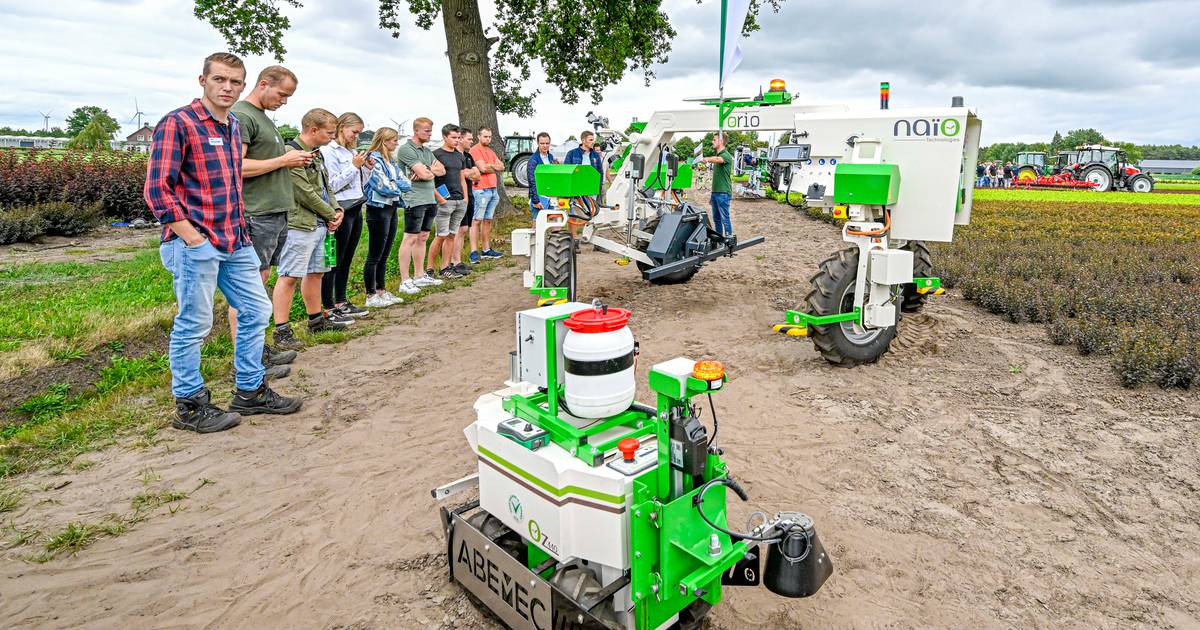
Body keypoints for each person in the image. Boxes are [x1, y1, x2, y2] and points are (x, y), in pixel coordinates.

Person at [145, 52, 301, 433]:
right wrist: (194, 240)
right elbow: (157, 191)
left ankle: (249, 390)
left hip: (234, 238)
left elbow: (231, 185)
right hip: (195, 243)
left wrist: (240, 232)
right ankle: (190, 405)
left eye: (235, 81)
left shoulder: (233, 126)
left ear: (244, 85)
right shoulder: (178, 123)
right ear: (203, 81)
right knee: (194, 323)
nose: (227, 87)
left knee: (255, 311)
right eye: (219, 80)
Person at [230, 65, 309, 365]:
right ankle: (246, 355)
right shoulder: (243, 116)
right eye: (282, 94)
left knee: (260, 283)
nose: (284, 101)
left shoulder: (263, 118)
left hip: (274, 213)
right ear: (264, 84)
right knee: (248, 286)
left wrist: (287, 163)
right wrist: (283, 160)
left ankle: (256, 348)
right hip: (256, 212)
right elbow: (237, 166)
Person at [270, 108, 348, 348]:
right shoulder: (291, 153)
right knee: (290, 275)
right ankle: (281, 330)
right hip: (300, 224)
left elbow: (326, 186)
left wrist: (337, 210)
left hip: (321, 223)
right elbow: (303, 191)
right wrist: (329, 212)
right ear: (313, 130)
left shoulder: (318, 153)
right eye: (329, 132)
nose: (332, 137)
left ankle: (316, 320)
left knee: (317, 272)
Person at [319, 112, 372, 319]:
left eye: (359, 133)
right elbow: (331, 185)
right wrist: (353, 167)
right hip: (339, 208)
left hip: (356, 206)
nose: (356, 137)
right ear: (342, 128)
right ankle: (328, 304)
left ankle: (342, 299)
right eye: (354, 132)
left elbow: (359, 184)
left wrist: (366, 170)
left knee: (346, 258)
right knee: (333, 259)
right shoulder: (329, 152)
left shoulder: (352, 151)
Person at [361, 127, 413, 304]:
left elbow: (406, 183)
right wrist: (394, 184)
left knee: (385, 252)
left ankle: (382, 289)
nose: (396, 143)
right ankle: (370, 294)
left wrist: (394, 183)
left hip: (391, 207)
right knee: (374, 253)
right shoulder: (373, 158)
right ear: (384, 140)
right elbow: (382, 186)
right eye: (394, 140)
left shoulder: (390, 160)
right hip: (378, 208)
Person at [395, 118, 446, 291]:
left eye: (431, 131)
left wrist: (427, 170)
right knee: (410, 237)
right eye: (426, 131)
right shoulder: (406, 150)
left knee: (423, 237)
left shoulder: (426, 151)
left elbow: (441, 170)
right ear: (416, 131)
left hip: (429, 198)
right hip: (414, 199)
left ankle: (419, 275)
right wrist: (428, 171)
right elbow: (423, 174)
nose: (430, 134)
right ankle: (405, 280)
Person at [430, 123, 469, 279]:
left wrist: (465, 197)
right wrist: (439, 199)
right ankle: (429, 268)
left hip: (459, 200)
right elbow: (430, 179)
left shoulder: (460, 156)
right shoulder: (436, 155)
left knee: (452, 235)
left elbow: (462, 178)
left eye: (459, 137)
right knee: (440, 235)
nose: (457, 140)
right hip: (445, 200)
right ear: (445, 137)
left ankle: (445, 267)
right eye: (453, 137)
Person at [468, 126, 505, 263]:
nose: (488, 139)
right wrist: (493, 166)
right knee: (477, 220)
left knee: (488, 220)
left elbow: (502, 166)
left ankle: (486, 249)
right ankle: (473, 251)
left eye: (489, 136)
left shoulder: (490, 150)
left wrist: (491, 166)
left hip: (492, 189)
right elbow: (482, 168)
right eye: (485, 136)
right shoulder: (475, 150)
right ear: (479, 136)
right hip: (481, 189)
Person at [563, 130, 604, 245]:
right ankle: (574, 240)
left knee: (591, 214)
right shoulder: (572, 154)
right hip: (576, 189)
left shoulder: (595, 155)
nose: (593, 142)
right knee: (574, 214)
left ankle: (592, 240)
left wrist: (598, 187)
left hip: (591, 189)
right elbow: (567, 171)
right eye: (590, 139)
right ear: (583, 140)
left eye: (593, 139)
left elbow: (599, 172)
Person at [456, 128, 482, 269]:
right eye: (469, 139)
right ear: (460, 139)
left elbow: (477, 175)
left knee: (464, 229)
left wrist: (469, 172)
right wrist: (468, 173)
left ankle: (458, 261)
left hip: (470, 195)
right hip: (457, 197)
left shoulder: (468, 156)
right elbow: (461, 174)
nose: (472, 142)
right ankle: (452, 262)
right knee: (456, 230)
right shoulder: (453, 156)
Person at [699, 133, 733, 236]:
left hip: (723, 193)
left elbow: (718, 160)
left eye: (714, 140)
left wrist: (707, 159)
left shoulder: (725, 155)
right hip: (716, 193)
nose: (712, 141)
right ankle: (720, 240)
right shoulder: (718, 155)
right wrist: (712, 194)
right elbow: (717, 159)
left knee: (725, 219)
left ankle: (728, 241)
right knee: (717, 219)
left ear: (721, 141)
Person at [527, 132, 557, 222]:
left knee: (556, 221)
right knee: (538, 224)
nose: (545, 146)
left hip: (551, 195)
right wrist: (536, 201)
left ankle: (554, 236)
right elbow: (532, 181)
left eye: (547, 143)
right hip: (540, 197)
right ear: (538, 143)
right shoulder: (533, 160)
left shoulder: (551, 157)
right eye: (542, 143)